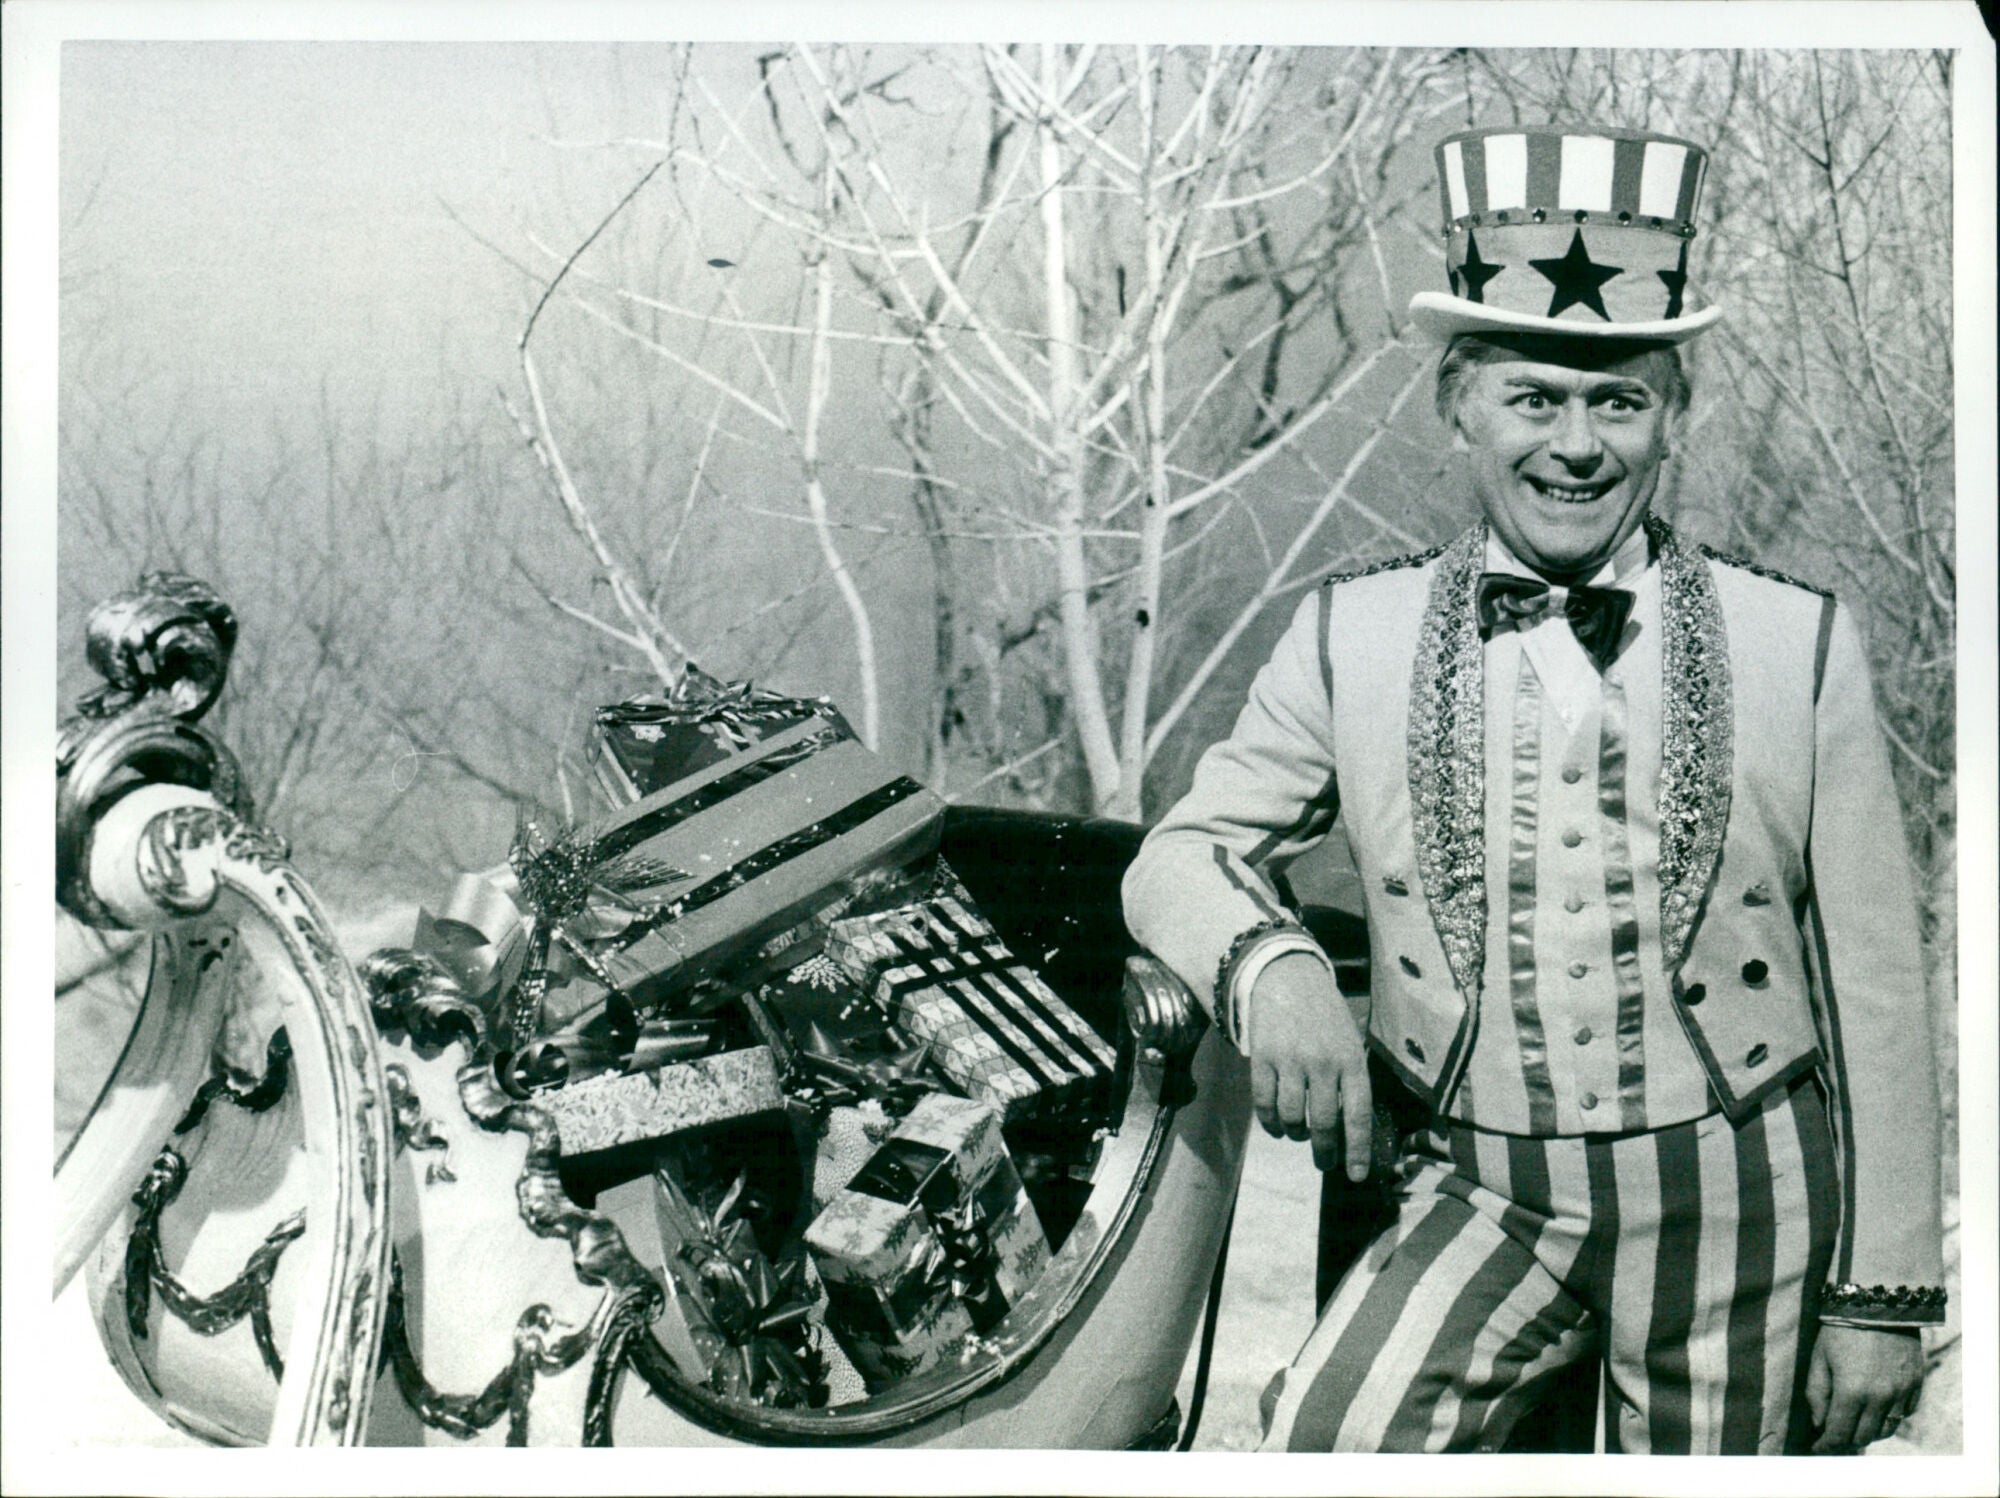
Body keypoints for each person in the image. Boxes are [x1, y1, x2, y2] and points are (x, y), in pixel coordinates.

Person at [1122, 125, 1945, 1455]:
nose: (1577, 444)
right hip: (1478, 1184)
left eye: (1616, 401)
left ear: (1674, 414)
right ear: (1460, 404)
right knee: (1331, 1440)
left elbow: (1880, 992)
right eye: (1535, 397)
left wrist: (1882, 1291)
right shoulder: (1352, 634)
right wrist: (1270, 964)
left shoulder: (1800, 642)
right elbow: (1178, 854)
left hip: (1743, 1202)